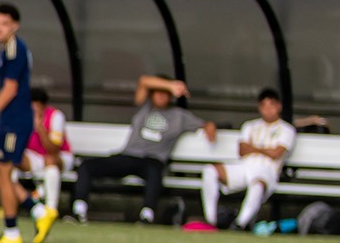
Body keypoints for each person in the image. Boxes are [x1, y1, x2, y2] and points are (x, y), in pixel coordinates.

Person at [70, 74, 216, 225]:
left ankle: (147, 215)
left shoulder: (179, 116)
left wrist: (210, 127)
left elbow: (205, 124)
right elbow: (143, 81)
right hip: (128, 156)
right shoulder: (143, 107)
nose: (160, 95)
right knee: (86, 166)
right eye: (157, 91)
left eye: (165, 93)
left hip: (153, 160)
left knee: (155, 172)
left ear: (171, 96)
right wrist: (170, 85)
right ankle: (79, 210)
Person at [0, 3, 59, 243]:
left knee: (3, 172)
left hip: (15, 120)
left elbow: (10, 89)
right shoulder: (7, 49)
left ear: (15, 26)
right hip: (9, 121)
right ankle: (39, 211)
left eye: (4, 24)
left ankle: (11, 234)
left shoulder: (14, 50)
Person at [198, 88, 294, 231]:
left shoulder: (287, 129)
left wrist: (254, 147)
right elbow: (242, 150)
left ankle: (239, 224)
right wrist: (265, 149)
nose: (267, 110)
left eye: (271, 105)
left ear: (278, 106)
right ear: (259, 107)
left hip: (267, 170)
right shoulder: (250, 125)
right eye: (264, 106)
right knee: (210, 171)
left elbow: (276, 153)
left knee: (258, 185)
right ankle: (211, 221)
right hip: (245, 166)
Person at [20, 87, 71, 218]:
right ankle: (14, 205)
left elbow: (53, 150)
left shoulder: (56, 116)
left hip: (60, 157)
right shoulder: (23, 115)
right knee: (12, 160)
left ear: (43, 106)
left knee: (50, 160)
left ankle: (51, 208)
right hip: (35, 156)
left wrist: (40, 128)